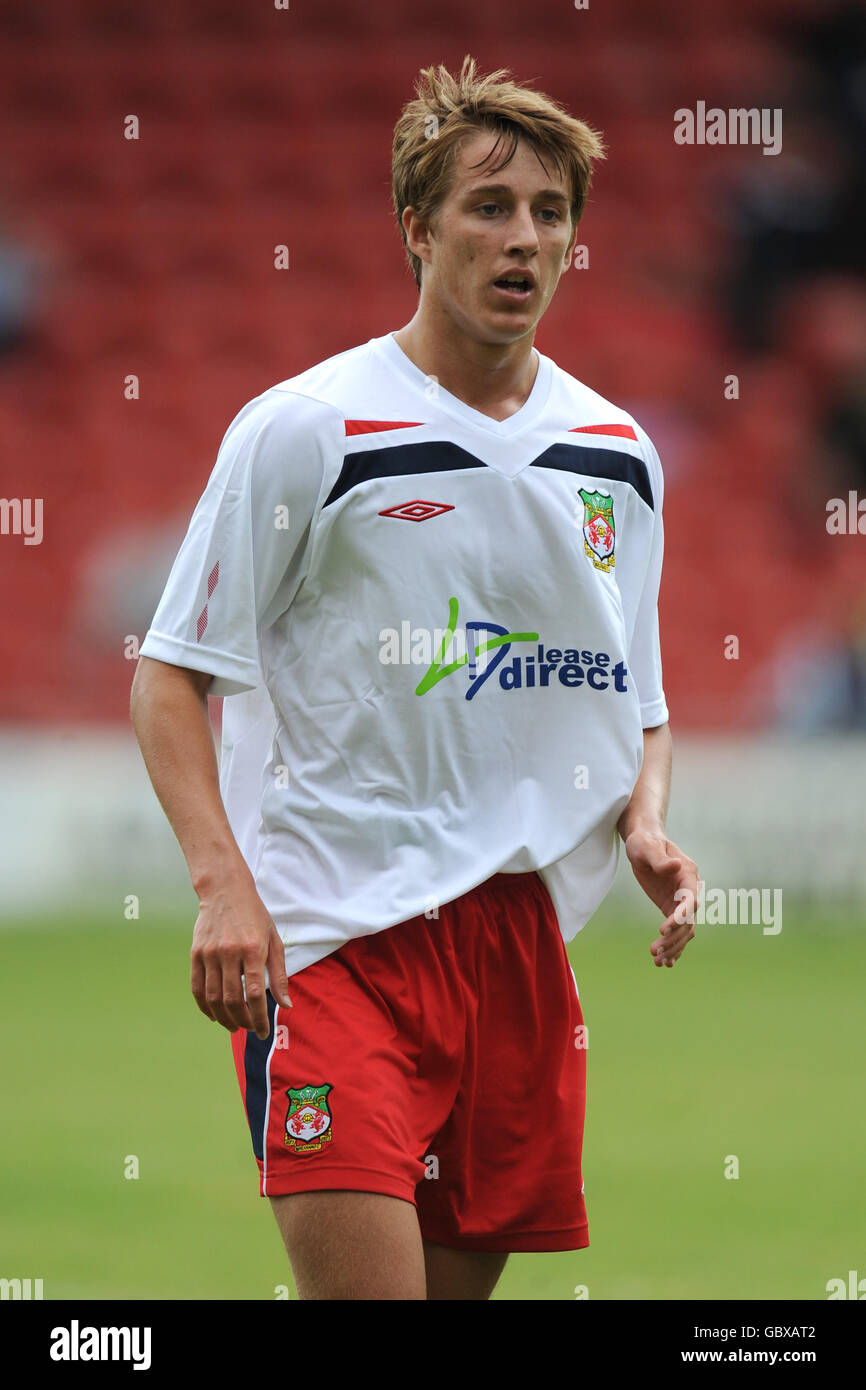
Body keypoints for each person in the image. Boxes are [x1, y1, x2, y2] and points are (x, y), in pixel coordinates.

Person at [130, 55, 699, 1301]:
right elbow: (168, 678)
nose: (522, 239)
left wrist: (644, 818)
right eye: (487, 207)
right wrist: (223, 887)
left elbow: (640, 704)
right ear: (414, 230)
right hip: (335, 938)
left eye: (549, 213)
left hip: (515, 954)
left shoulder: (616, 456)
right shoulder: (308, 429)